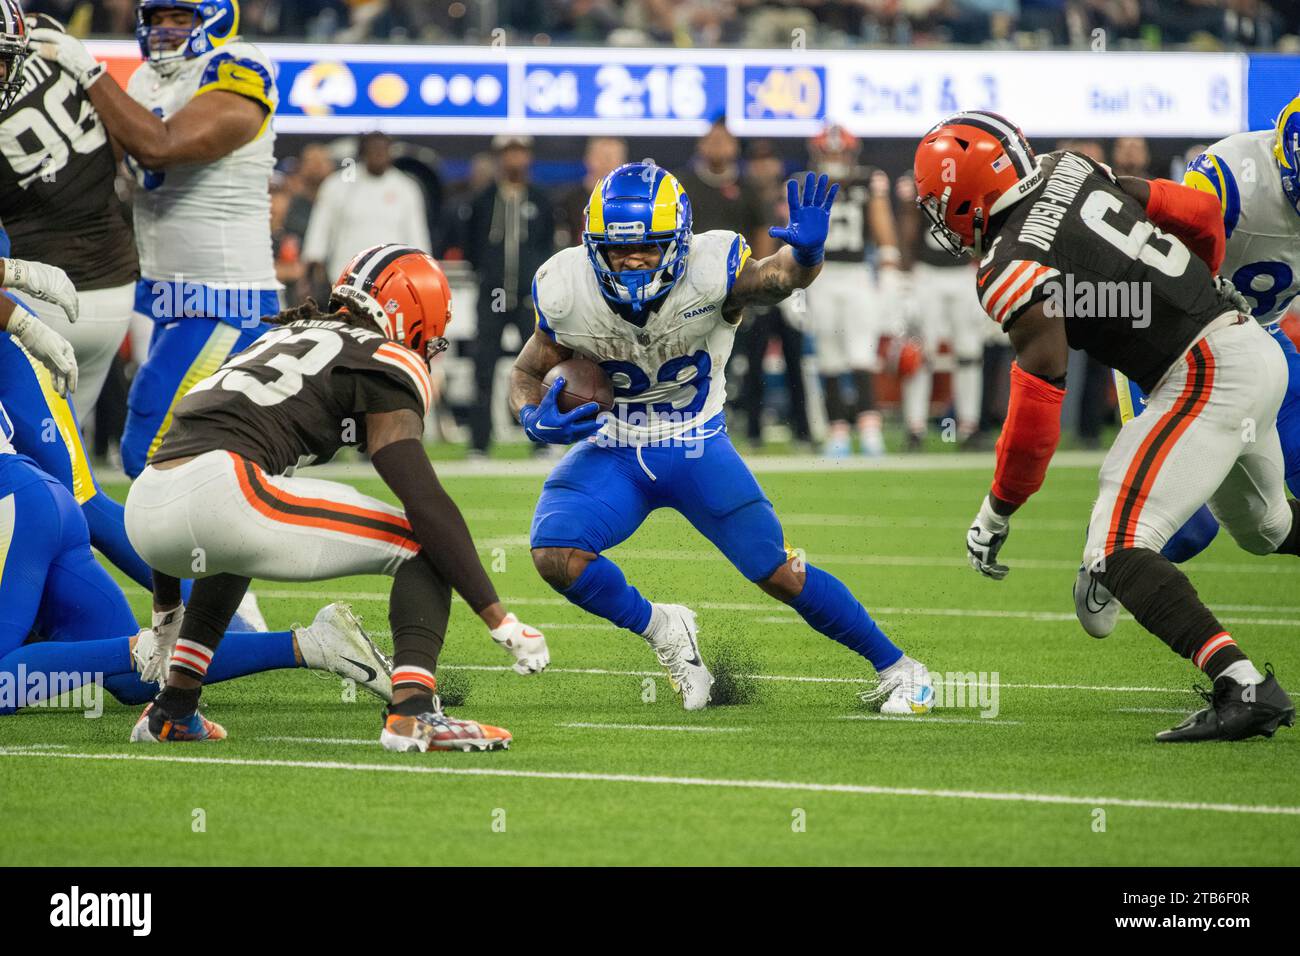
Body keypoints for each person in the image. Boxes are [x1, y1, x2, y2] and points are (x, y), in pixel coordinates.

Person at [914, 109, 1299, 743]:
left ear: (966, 198)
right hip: (1249, 344)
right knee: (1268, 527)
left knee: (1116, 546)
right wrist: (1202, 285)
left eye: (939, 202)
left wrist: (997, 511)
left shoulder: (1010, 265)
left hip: (1204, 373)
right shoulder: (1070, 168)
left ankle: (1243, 686)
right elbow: (1199, 217)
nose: (938, 216)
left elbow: (1039, 411)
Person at [509, 163, 935, 715]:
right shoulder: (566, 288)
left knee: (778, 572)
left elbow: (779, 278)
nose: (633, 260)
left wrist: (806, 256)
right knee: (554, 552)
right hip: (613, 447)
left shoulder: (713, 269)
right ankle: (664, 627)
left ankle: (902, 669)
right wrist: (530, 415)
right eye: (618, 249)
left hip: (694, 445)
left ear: (680, 244)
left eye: (649, 247)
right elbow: (524, 373)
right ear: (594, 246)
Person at [124, 246, 547, 749]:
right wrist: (500, 619)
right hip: (222, 492)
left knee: (228, 552)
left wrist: (166, 612)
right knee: (423, 542)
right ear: (408, 317)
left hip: (146, 505)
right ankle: (413, 713)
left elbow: (184, 465)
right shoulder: (381, 356)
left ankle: (172, 708)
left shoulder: (277, 336)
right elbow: (424, 500)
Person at [32, 0, 282, 480]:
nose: (164, 30)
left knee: (149, 449)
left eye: (179, 18)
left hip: (226, 298)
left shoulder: (238, 66)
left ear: (213, 18)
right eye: (157, 18)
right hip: (166, 293)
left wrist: (86, 71)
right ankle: (215, 548)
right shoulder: (147, 80)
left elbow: (160, 146)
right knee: (207, 459)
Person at [1099, 97, 1300, 572]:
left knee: (1269, 522)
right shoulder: (1231, 177)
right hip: (1173, 344)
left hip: (1265, 339)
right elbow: (1151, 264)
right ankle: (1103, 561)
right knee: (1188, 531)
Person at [0, 8, 138, 422]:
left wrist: (19, 304)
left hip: (35, 294)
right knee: (64, 458)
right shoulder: (39, 30)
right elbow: (123, 150)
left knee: (30, 455)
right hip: (113, 287)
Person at [803, 124, 899, 457]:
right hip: (821, 275)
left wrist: (889, 269)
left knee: (862, 353)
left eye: (839, 152)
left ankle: (870, 429)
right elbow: (794, 231)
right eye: (829, 152)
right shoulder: (806, 184)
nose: (835, 158)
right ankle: (838, 431)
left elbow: (882, 225)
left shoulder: (867, 181)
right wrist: (792, 287)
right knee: (829, 355)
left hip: (858, 273)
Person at [461, 133, 555, 455]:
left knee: (539, 367)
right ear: (500, 157)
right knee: (483, 368)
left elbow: (547, 246)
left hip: (530, 298)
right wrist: (488, 275)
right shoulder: (483, 199)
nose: (515, 159)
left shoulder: (541, 199)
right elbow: (471, 246)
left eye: (521, 153)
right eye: (509, 153)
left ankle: (542, 439)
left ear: (528, 157)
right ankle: (479, 444)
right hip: (492, 295)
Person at [301, 131, 432, 283]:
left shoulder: (406, 188)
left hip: (392, 279)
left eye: (382, 150)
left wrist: (423, 267)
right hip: (345, 274)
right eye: (373, 149)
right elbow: (321, 226)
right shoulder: (338, 184)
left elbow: (417, 233)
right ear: (362, 152)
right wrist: (314, 260)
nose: (378, 154)